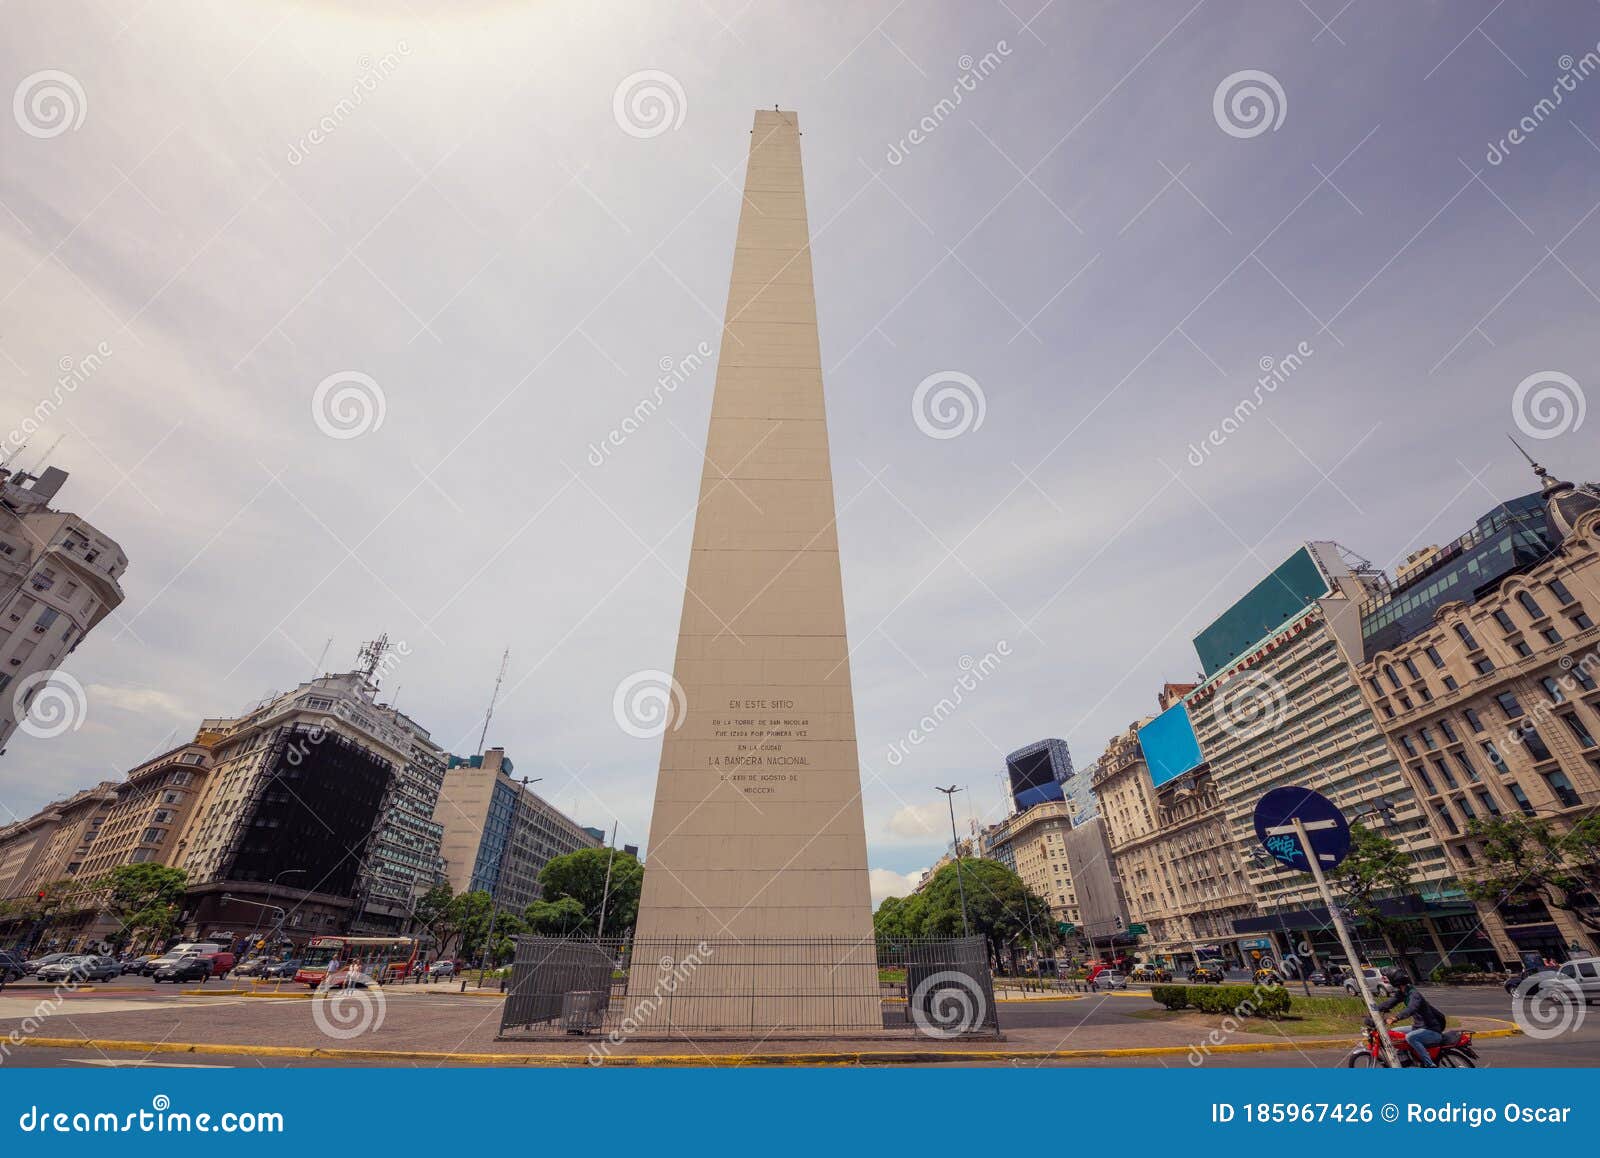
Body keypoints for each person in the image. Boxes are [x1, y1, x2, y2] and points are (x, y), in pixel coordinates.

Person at [1375, 968, 1447, 1067]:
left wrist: (1396, 1017)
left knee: (1411, 1037)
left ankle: (1429, 1064)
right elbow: (1390, 1002)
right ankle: (1404, 1057)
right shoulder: (1403, 992)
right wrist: (1374, 1009)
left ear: (1395, 981)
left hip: (1431, 1030)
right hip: (1420, 1027)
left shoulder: (1414, 994)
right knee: (1394, 1032)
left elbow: (1411, 1008)